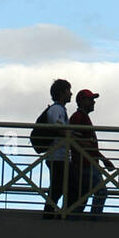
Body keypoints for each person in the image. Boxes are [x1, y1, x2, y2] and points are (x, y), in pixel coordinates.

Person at [68, 89, 114, 218]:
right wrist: (102, 159)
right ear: (82, 101)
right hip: (86, 163)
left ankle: (71, 220)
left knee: (83, 196)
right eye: (90, 99)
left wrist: (103, 159)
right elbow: (77, 140)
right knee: (100, 192)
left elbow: (82, 142)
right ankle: (92, 219)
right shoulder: (78, 117)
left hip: (86, 162)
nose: (93, 102)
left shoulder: (82, 117)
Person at [42, 79, 72, 216]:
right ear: (62, 92)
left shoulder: (59, 110)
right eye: (68, 91)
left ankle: (54, 212)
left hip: (59, 155)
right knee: (58, 186)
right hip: (57, 155)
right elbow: (59, 128)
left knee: (60, 186)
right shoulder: (57, 109)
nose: (71, 94)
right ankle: (50, 213)